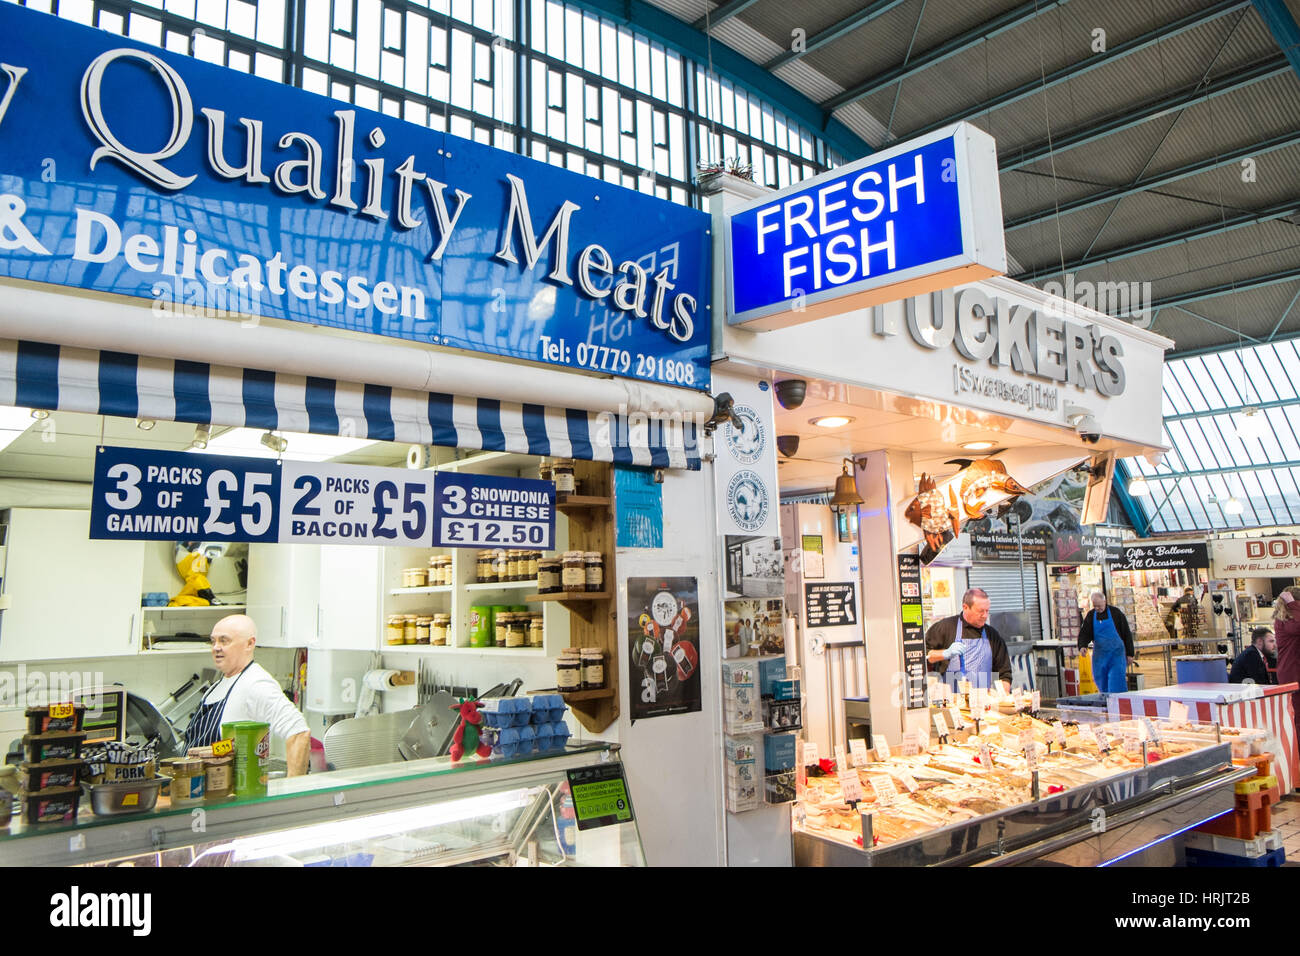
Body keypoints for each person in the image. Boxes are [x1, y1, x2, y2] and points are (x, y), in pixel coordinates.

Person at [187, 614, 312, 776]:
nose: (216, 647)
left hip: (229, 788)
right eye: (213, 641)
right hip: (200, 784)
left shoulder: (256, 683)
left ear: (249, 644)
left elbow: (299, 732)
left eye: (224, 641)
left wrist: (293, 785)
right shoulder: (217, 686)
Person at [925, 587, 1012, 691]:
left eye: (987, 611)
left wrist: (1001, 696)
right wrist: (945, 653)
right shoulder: (945, 627)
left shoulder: (993, 636)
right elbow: (924, 656)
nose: (985, 615)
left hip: (983, 699)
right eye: (980, 611)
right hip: (951, 699)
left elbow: (1004, 674)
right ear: (965, 607)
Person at [1077, 590, 1135, 694]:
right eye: (1095, 606)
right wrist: (1082, 646)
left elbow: (1126, 633)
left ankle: (1117, 702)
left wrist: (1130, 654)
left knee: (1116, 683)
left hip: (1116, 656)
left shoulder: (1116, 613)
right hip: (1100, 657)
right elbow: (1085, 633)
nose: (1097, 608)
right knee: (1102, 684)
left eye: (1099, 606)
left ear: (1105, 601)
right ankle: (1106, 702)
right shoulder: (1091, 615)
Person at [1273, 587, 1300, 732]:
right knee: (1296, 715)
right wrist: (1293, 604)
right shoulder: (1289, 621)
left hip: (1290, 671)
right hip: (1293, 673)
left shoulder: (1285, 620)